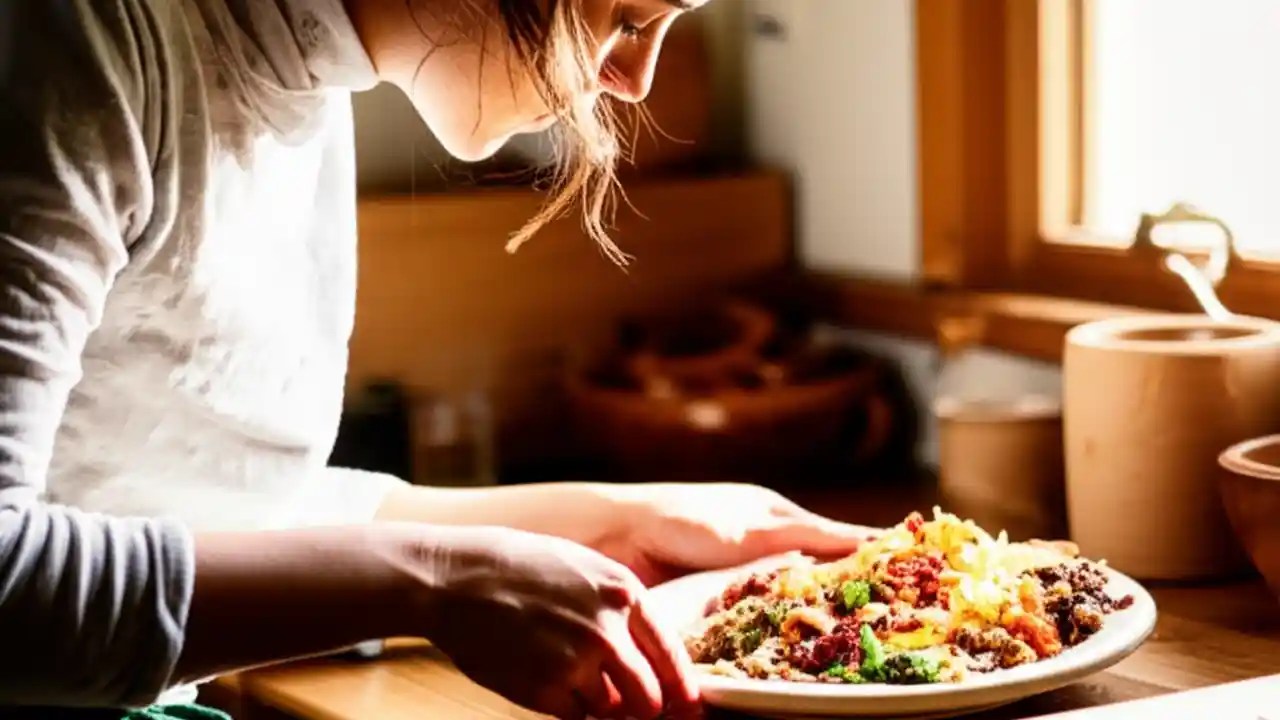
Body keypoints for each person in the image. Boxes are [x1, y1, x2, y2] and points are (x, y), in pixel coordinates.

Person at [0, 1, 877, 718]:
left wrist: (606, 523)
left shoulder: (308, 80)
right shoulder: (77, 39)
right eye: (626, 16)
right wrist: (431, 583)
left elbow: (177, 504)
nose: (634, 79)